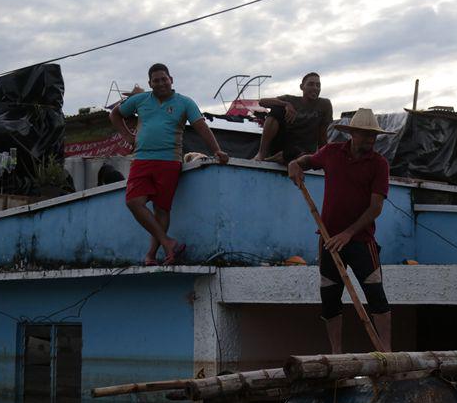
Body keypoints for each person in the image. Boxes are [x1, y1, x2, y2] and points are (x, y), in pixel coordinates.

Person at [287, 108, 392, 353]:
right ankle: (336, 354)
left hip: (361, 241)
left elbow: (375, 208)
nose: (370, 140)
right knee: (330, 298)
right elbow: (307, 160)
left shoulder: (379, 164)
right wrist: (294, 164)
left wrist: (348, 233)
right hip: (328, 240)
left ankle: (387, 351)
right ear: (352, 134)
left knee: (376, 295)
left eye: (373, 136)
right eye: (365, 135)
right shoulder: (332, 152)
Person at [110, 63, 228, 266]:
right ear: (150, 83)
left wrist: (217, 150)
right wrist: (128, 136)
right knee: (133, 202)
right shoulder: (140, 99)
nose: (161, 83)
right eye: (156, 80)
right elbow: (114, 114)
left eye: (164, 78)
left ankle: (153, 255)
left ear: (171, 79)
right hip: (142, 159)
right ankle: (168, 242)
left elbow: (201, 127)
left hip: (169, 161)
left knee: (162, 209)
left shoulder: (185, 102)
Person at [255, 72, 333, 162]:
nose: (315, 88)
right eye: (311, 84)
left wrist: (324, 158)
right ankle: (261, 154)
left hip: (303, 151)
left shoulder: (325, 105)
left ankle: (271, 159)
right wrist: (285, 104)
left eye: (318, 85)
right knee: (276, 108)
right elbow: (262, 102)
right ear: (302, 87)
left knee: (297, 155)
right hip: (283, 143)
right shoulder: (291, 100)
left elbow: (322, 134)